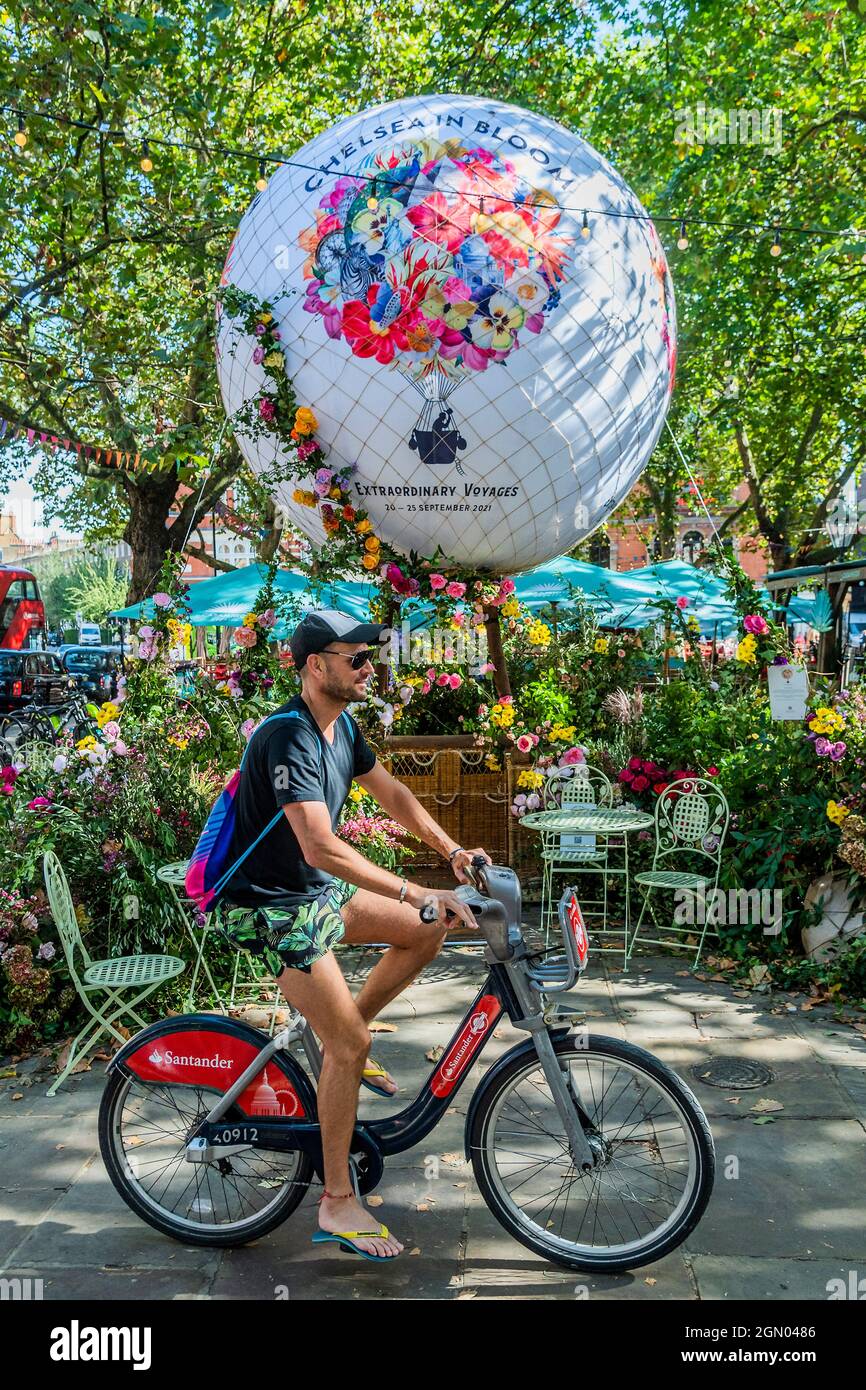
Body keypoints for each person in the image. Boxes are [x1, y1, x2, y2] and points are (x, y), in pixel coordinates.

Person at [215, 610, 490, 1262]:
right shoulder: (290, 737)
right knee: (352, 1036)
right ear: (316, 665)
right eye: (357, 658)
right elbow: (319, 845)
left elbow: (391, 793)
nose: (371, 668)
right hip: (266, 905)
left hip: (309, 893)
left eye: (373, 657)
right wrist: (412, 889)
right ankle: (337, 1200)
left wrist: (450, 850)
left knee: (428, 931)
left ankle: (343, 1040)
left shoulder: (342, 728)